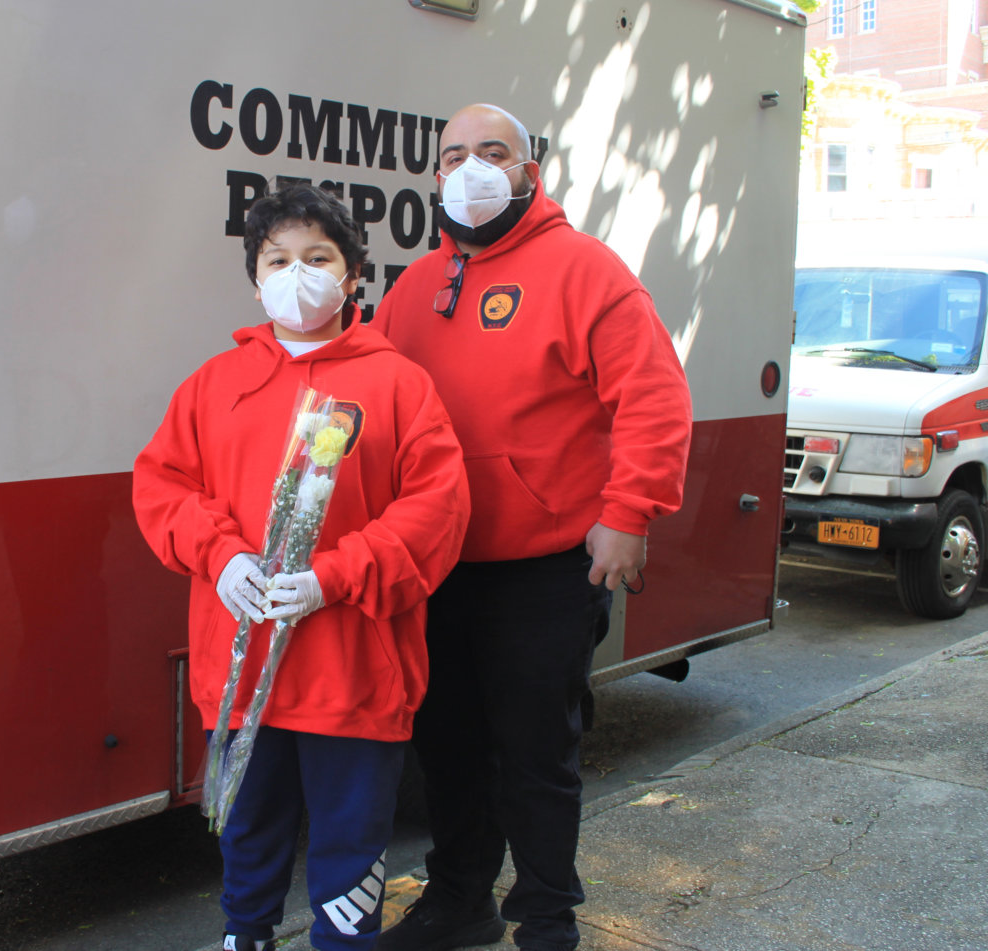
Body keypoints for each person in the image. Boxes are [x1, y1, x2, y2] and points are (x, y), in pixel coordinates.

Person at [373, 104, 693, 951]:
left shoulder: (585, 270)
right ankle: (459, 901)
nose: (471, 168)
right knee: (446, 746)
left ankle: (546, 917)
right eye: (453, 155)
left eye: (492, 151)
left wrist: (628, 516)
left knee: (535, 752)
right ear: (434, 177)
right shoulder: (414, 285)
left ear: (529, 169)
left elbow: (654, 397)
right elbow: (369, 397)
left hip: (548, 566)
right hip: (438, 565)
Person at [132, 183, 469, 951]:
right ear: (255, 277)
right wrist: (218, 557)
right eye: (278, 259)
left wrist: (335, 576)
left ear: (352, 276)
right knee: (246, 838)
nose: (297, 273)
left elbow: (436, 508)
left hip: (354, 673)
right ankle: (243, 937)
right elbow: (161, 486)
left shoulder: (398, 386)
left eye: (318, 257)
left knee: (351, 852)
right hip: (244, 675)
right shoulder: (214, 385)